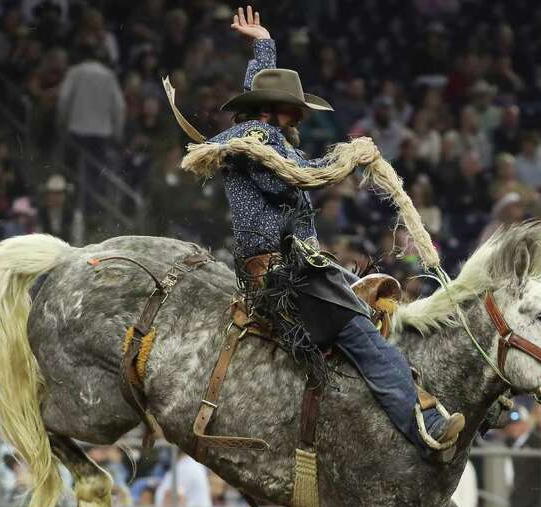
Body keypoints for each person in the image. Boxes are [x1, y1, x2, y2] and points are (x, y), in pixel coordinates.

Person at [198, 7, 463, 457]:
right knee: (360, 329)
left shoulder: (257, 133)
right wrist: (348, 158)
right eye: (294, 111)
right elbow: (296, 174)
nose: (299, 119)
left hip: (296, 268)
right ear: (275, 111)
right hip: (285, 275)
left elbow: (261, 93)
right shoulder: (259, 142)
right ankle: (425, 425)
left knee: (374, 311)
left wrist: (263, 43)